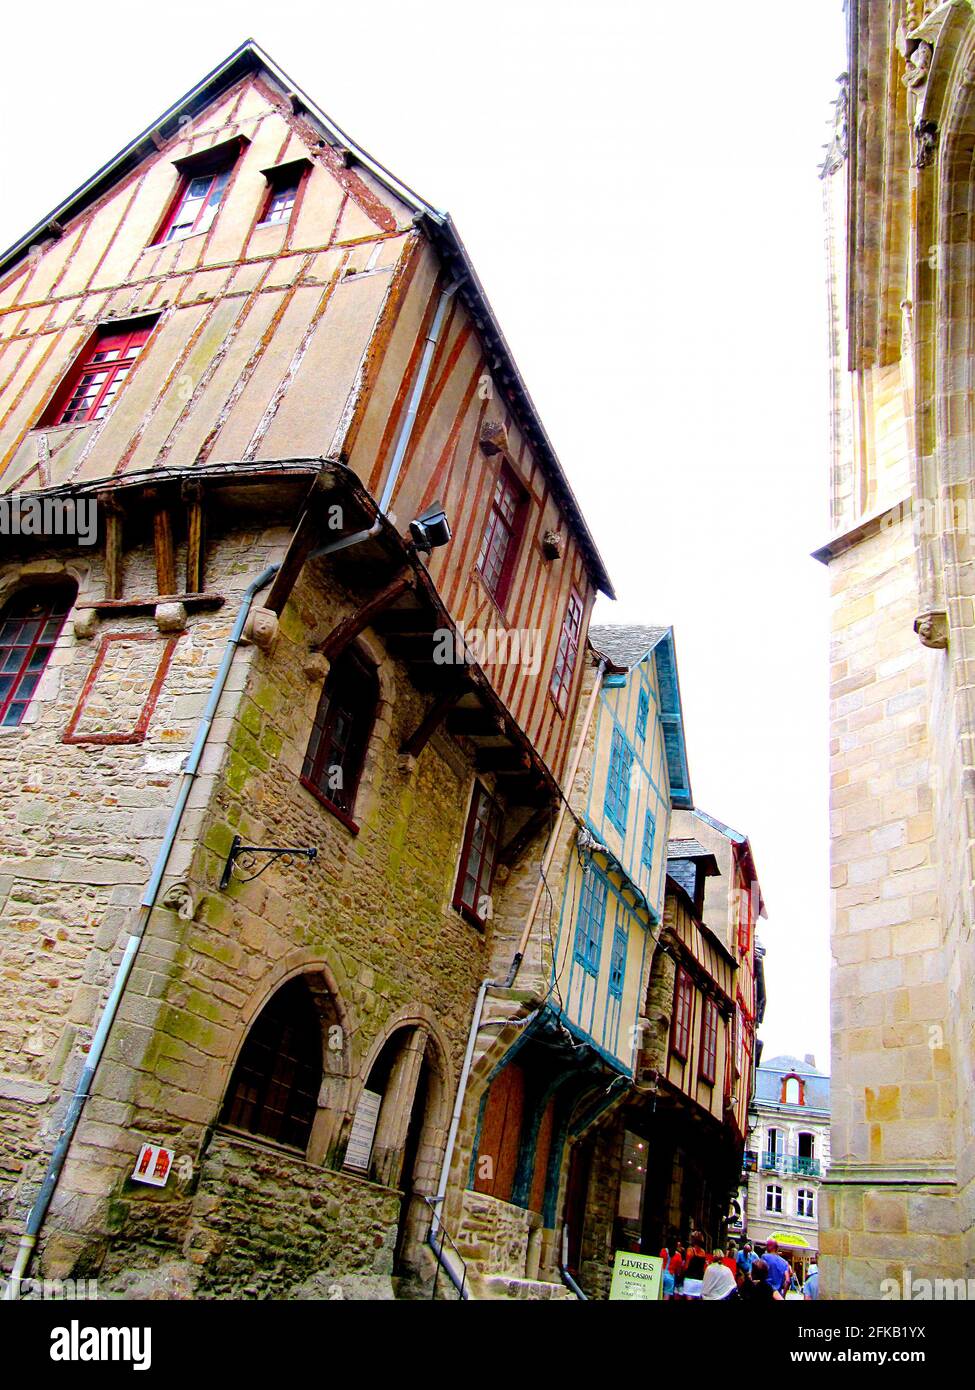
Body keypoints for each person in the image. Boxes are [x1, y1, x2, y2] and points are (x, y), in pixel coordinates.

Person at [682, 1231, 710, 1300]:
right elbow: (703, 1268)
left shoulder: (690, 1250)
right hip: (699, 1281)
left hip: (690, 1279)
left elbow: (686, 1267)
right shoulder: (703, 1252)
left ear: (693, 1240)